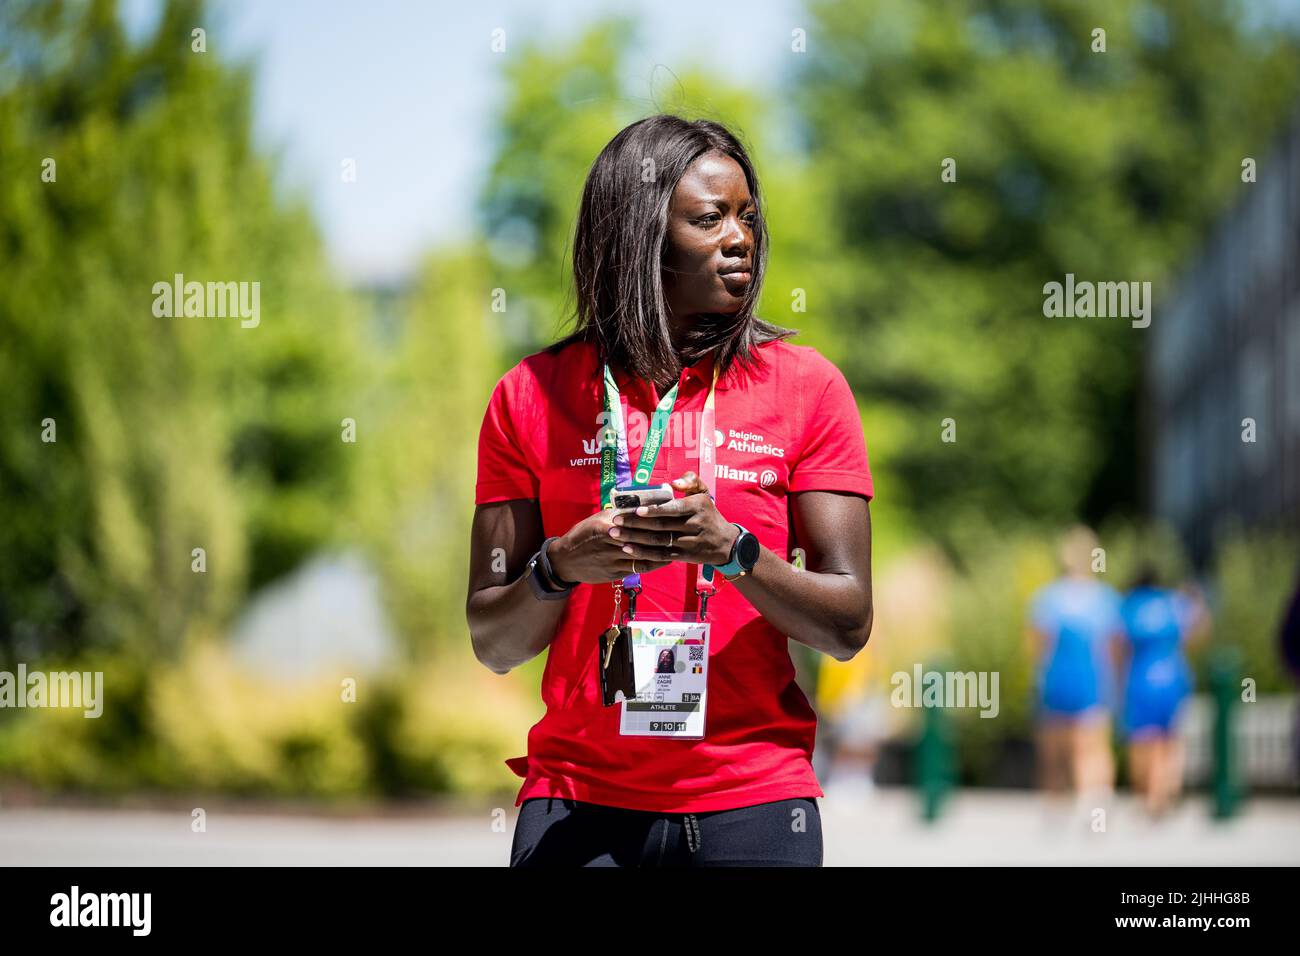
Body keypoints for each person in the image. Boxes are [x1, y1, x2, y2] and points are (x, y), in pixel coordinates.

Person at [466, 114, 874, 867]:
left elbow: (847, 624)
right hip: (578, 803)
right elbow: (493, 641)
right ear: (639, 235)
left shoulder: (807, 388)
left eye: (748, 217)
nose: (740, 237)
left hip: (755, 803)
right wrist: (558, 567)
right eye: (711, 218)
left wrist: (735, 552)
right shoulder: (528, 395)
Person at [1027, 526, 1124, 815]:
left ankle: (1056, 803)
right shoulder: (1105, 599)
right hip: (1093, 681)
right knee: (1093, 748)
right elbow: (1115, 648)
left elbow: (1036, 647)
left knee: (1054, 750)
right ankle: (1094, 802)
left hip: (1056, 679)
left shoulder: (1048, 598)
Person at [1117, 566, 1206, 817]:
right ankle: (1166, 791)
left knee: (1142, 741)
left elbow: (1116, 646)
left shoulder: (1129, 605)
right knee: (1169, 739)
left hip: (1140, 679)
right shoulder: (1174, 603)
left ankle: (1148, 796)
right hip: (1174, 679)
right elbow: (1196, 632)